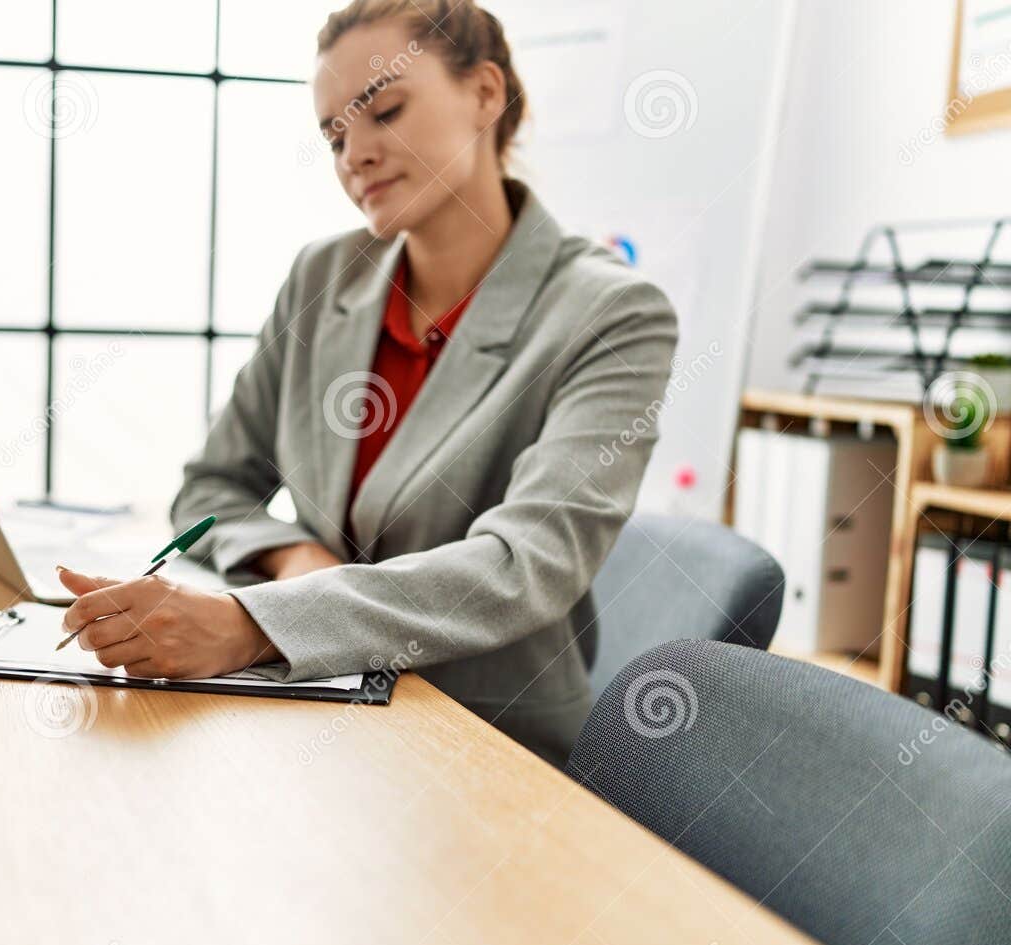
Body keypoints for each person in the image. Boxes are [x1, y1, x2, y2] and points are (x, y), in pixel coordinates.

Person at [56, 0, 679, 766]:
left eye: (384, 110)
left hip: (482, 739)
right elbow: (214, 487)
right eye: (334, 135)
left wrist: (256, 621)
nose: (355, 154)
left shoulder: (611, 312)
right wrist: (292, 560)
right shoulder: (325, 275)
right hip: (306, 718)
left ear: (486, 94)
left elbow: (524, 566)